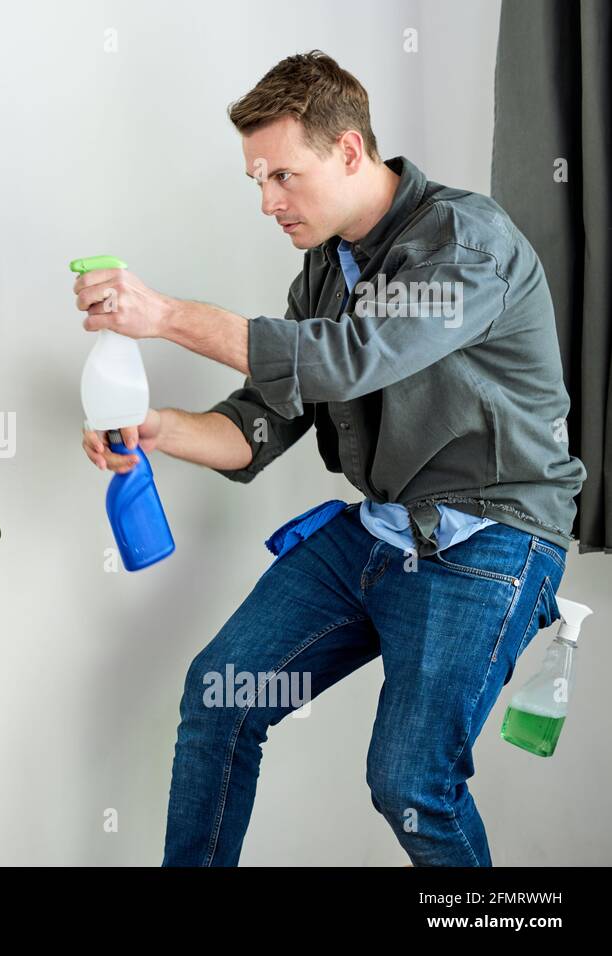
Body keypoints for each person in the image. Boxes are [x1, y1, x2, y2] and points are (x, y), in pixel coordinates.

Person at [73, 50, 585, 866]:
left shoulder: (466, 241)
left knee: (411, 782)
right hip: (378, 534)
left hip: (490, 539)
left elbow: (351, 358)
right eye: (257, 182)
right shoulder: (323, 274)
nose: (269, 202)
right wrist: (153, 426)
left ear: (349, 151)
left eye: (284, 176)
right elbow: (259, 426)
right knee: (221, 698)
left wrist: (163, 315)